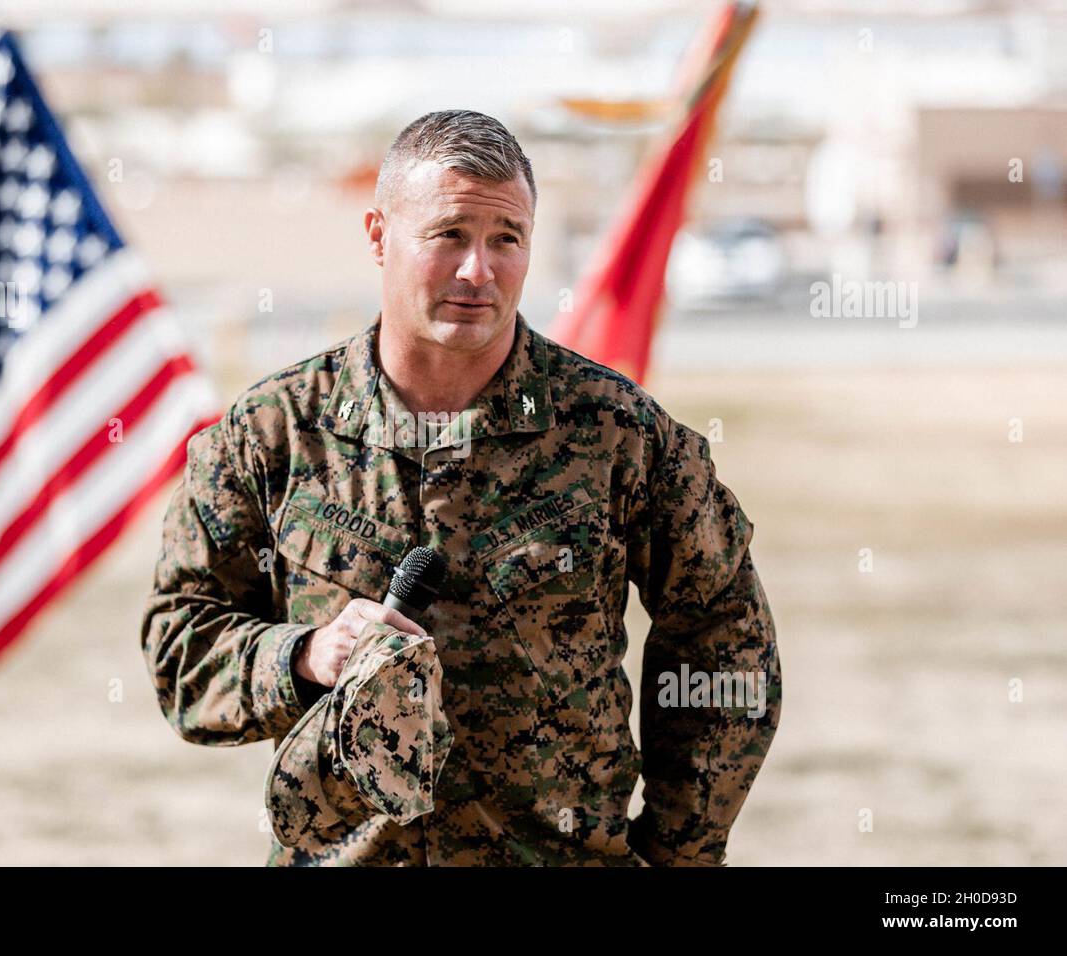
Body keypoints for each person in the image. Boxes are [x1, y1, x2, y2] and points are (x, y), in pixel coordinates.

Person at [140, 109, 780, 866]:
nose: (479, 270)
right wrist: (307, 654)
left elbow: (723, 636)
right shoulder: (274, 434)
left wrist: (678, 850)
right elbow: (182, 651)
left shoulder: (617, 432)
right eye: (449, 235)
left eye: (506, 239)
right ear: (379, 236)